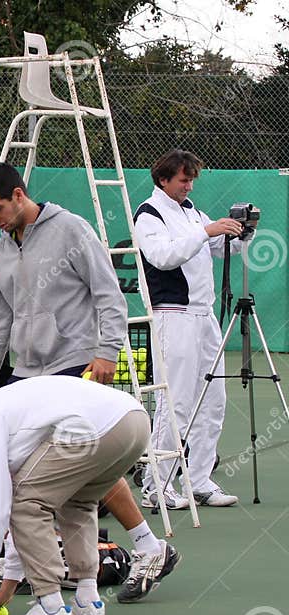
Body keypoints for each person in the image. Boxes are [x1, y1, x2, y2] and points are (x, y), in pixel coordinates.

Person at [0, 162, 179, 604]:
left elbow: (108, 294)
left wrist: (107, 352)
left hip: (77, 363)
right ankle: (131, 557)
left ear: (20, 195)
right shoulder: (1, 250)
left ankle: (144, 547)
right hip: (27, 373)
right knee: (40, 476)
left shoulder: (72, 229)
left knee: (83, 465)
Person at [0, 377, 150, 615]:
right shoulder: (9, 417)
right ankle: (88, 603)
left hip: (98, 428)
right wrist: (7, 589)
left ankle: (50, 607)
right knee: (77, 501)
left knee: (28, 503)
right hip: (135, 421)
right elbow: (17, 518)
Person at [135, 149, 247, 507]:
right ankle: (157, 485)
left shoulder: (192, 212)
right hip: (172, 314)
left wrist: (240, 233)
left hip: (204, 315)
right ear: (163, 179)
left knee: (214, 399)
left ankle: (198, 479)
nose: (189, 185)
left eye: (192, 179)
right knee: (176, 401)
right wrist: (206, 230)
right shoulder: (148, 214)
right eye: (183, 179)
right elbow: (163, 257)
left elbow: (216, 246)